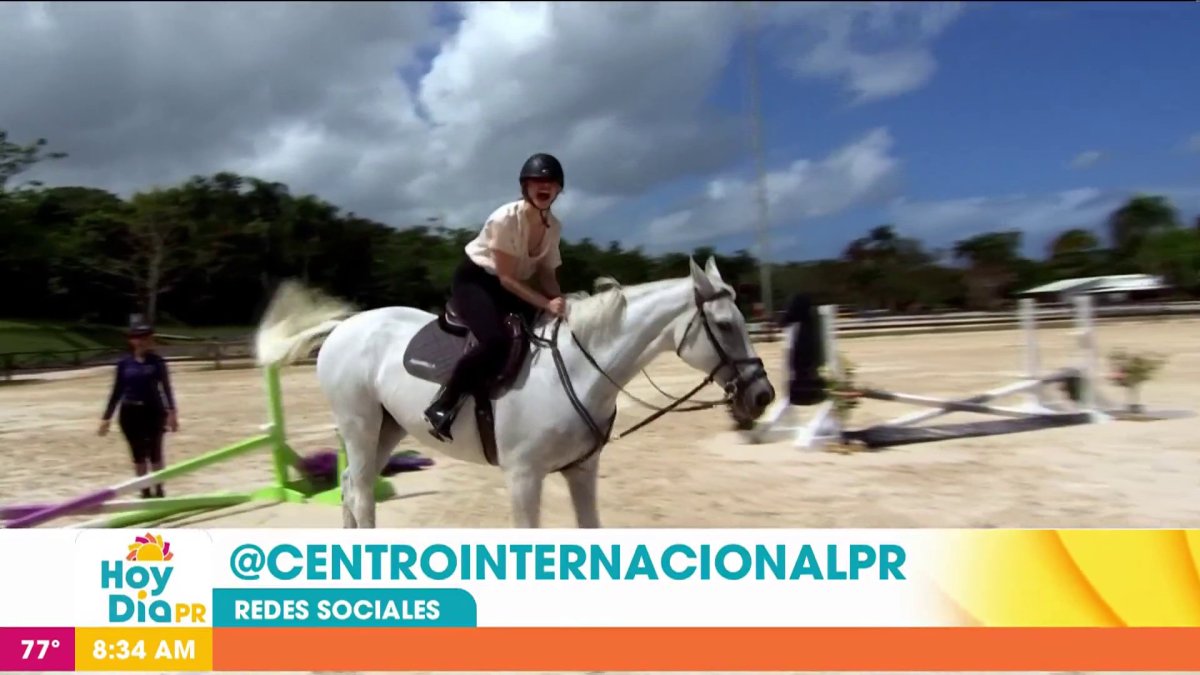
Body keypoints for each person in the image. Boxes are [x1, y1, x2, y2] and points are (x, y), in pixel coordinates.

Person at [422, 152, 570, 441]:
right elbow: (507, 278)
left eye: (550, 182)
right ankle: (444, 404)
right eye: (536, 181)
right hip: (476, 281)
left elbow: (546, 273)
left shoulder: (554, 227)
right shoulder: (505, 218)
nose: (544, 186)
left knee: (544, 330)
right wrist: (545, 302)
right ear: (525, 187)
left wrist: (560, 301)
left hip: (508, 286)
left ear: (558, 189)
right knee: (496, 341)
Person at [97, 322, 179, 498]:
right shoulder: (124, 364)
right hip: (130, 413)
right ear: (132, 341)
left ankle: (159, 489)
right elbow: (117, 391)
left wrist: (172, 413)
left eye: (147, 338)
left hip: (153, 411)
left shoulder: (157, 362)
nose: (143, 342)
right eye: (139, 338)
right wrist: (106, 417)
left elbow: (166, 388)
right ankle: (145, 490)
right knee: (138, 453)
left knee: (155, 451)